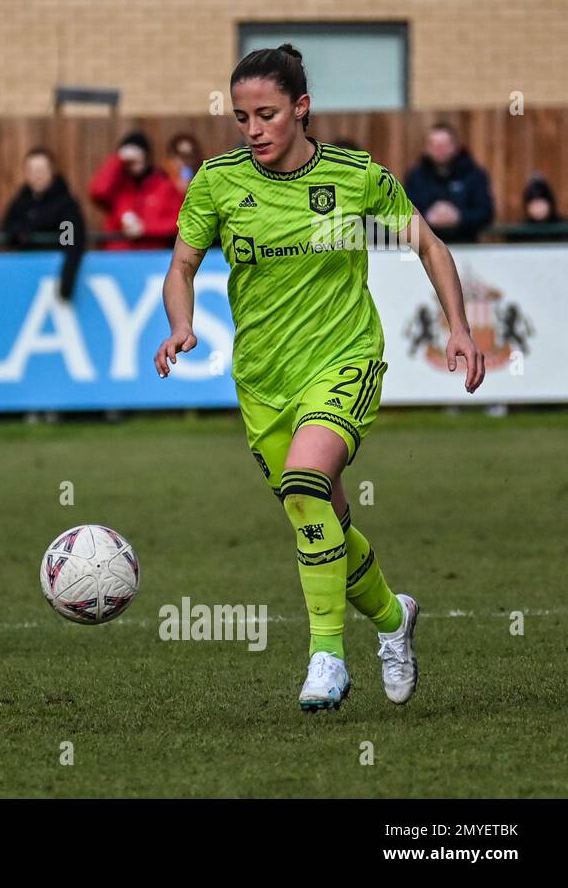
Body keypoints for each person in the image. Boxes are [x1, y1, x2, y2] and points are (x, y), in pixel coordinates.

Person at [154, 44, 486, 712]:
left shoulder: (356, 176)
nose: (253, 130)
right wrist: (180, 324)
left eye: (268, 114)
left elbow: (428, 243)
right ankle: (394, 620)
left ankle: (326, 657)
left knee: (306, 484)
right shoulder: (218, 182)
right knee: (322, 514)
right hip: (263, 380)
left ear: (302, 109)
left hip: (344, 360)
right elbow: (182, 265)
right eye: (242, 117)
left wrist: (458, 325)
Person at [0, 147, 88, 299]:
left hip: (52, 276)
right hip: (24, 279)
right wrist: (19, 233)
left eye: (41, 170)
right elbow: (7, 226)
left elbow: (71, 240)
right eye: (32, 170)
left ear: (51, 171)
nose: (37, 175)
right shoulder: (22, 201)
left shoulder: (65, 203)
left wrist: (66, 280)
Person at [88, 132, 183, 249]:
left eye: (136, 158)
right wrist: (118, 159)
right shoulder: (117, 186)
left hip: (152, 257)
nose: (132, 164)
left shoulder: (164, 186)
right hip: (118, 256)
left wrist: (145, 229)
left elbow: (178, 223)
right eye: (128, 160)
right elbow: (98, 191)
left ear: (147, 157)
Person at [404, 123, 494, 244]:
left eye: (444, 145)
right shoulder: (415, 177)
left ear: (455, 146)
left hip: (466, 244)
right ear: (426, 148)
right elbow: (405, 212)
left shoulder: (474, 174)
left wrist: (459, 217)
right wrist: (426, 217)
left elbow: (485, 212)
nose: (439, 150)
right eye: (434, 145)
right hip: (425, 246)